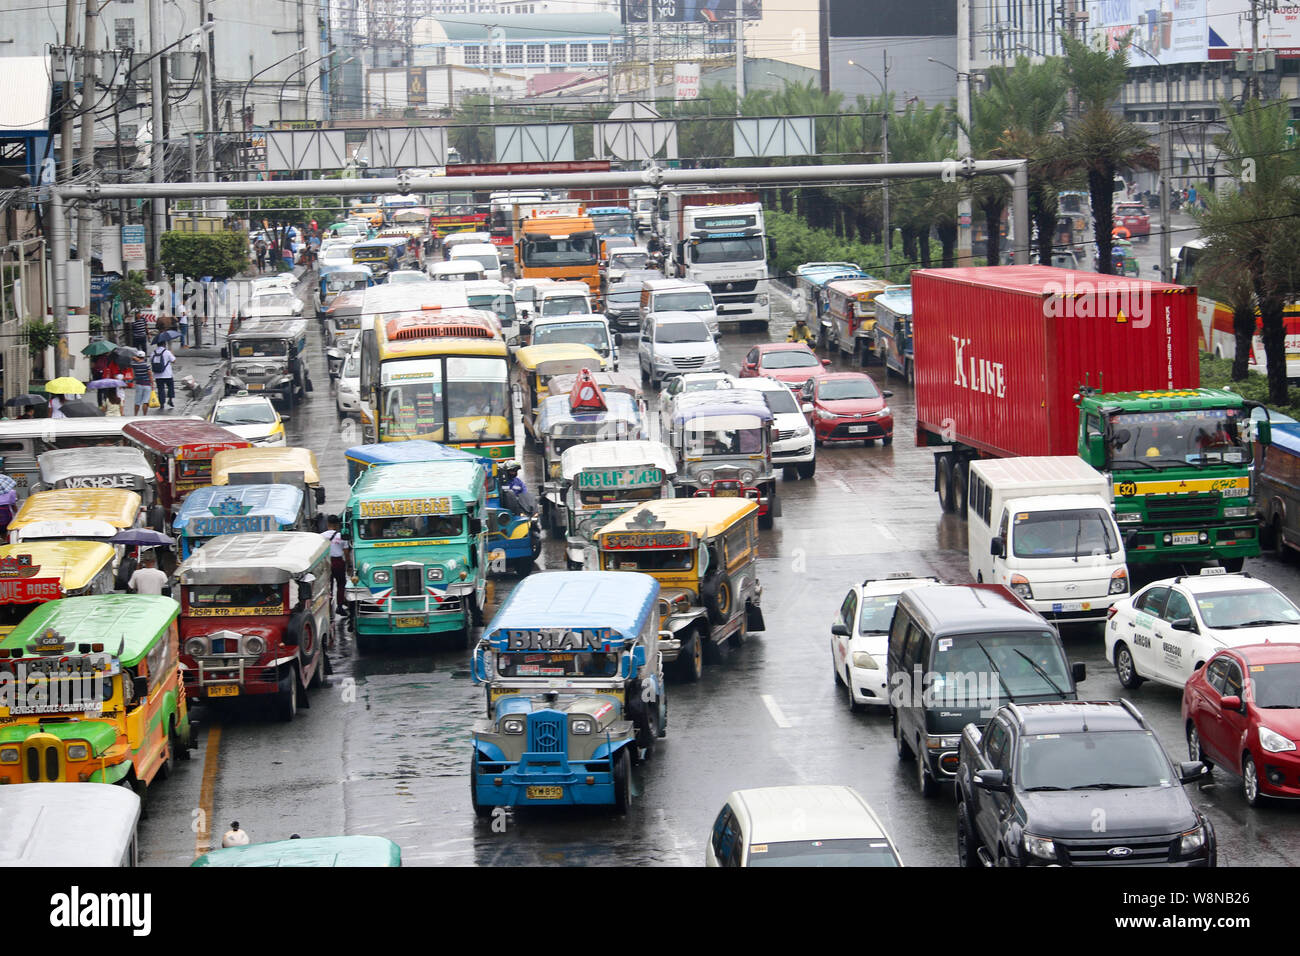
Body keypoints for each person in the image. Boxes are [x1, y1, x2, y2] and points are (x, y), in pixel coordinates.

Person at [321, 515, 349, 616]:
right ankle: (340, 606)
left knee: (328, 585)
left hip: (326, 562)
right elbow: (346, 552)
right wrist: (348, 565)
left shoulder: (321, 536)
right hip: (338, 562)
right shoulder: (342, 536)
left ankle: (328, 606)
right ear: (337, 525)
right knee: (341, 584)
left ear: (327, 524)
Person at [150, 339, 176, 409]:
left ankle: (162, 403)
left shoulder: (153, 353)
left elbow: (151, 361)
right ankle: (170, 399)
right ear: (164, 344)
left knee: (160, 389)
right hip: (167, 374)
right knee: (170, 387)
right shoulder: (167, 352)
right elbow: (174, 361)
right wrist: (171, 353)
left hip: (157, 375)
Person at [130, 349, 154, 416]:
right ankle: (144, 415)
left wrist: (134, 358)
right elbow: (150, 374)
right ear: (144, 357)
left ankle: (135, 415)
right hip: (147, 384)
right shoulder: (147, 365)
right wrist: (152, 384)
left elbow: (131, 362)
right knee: (145, 402)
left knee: (137, 401)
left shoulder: (134, 364)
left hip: (138, 384)